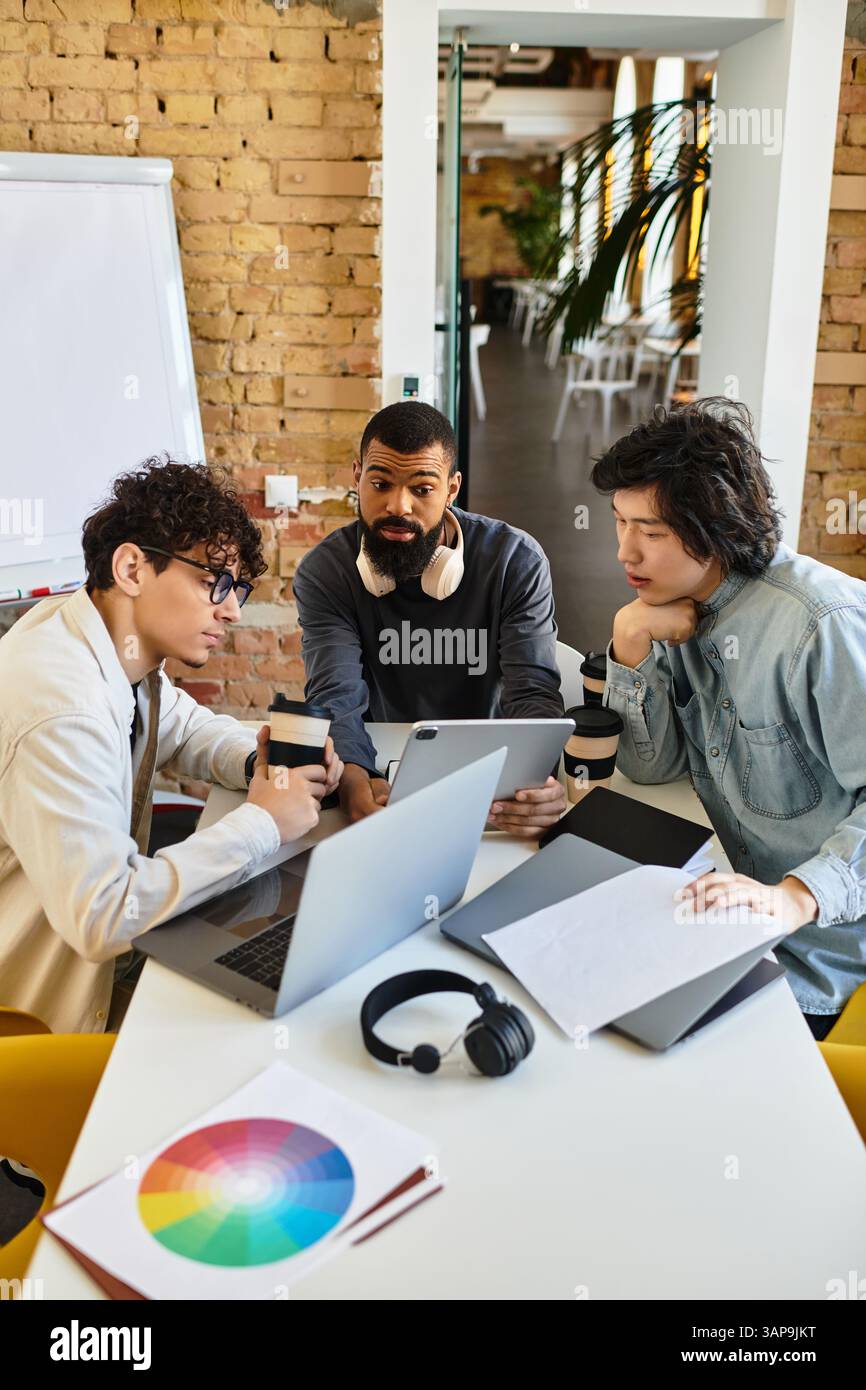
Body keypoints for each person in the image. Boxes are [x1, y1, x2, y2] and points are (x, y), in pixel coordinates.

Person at [0, 458, 342, 1036]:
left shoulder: (109, 642)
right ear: (133, 567)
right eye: (216, 581)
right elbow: (105, 915)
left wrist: (264, 760)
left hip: (113, 971)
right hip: (46, 1025)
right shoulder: (61, 707)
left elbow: (182, 727)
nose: (232, 609)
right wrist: (263, 822)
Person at [593, 397, 866, 1039]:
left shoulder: (819, 626)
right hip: (733, 923)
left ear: (715, 528)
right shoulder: (673, 602)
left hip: (823, 962)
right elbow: (648, 763)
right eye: (619, 522)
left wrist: (791, 898)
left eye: (652, 532)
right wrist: (630, 641)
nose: (625, 552)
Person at [293, 401, 567, 840]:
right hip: (380, 758)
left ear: (452, 489)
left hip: (489, 768)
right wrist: (354, 776)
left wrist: (537, 781)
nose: (398, 506)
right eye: (380, 483)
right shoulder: (327, 572)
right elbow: (336, 695)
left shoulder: (515, 561)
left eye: (422, 489)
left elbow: (532, 690)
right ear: (356, 476)